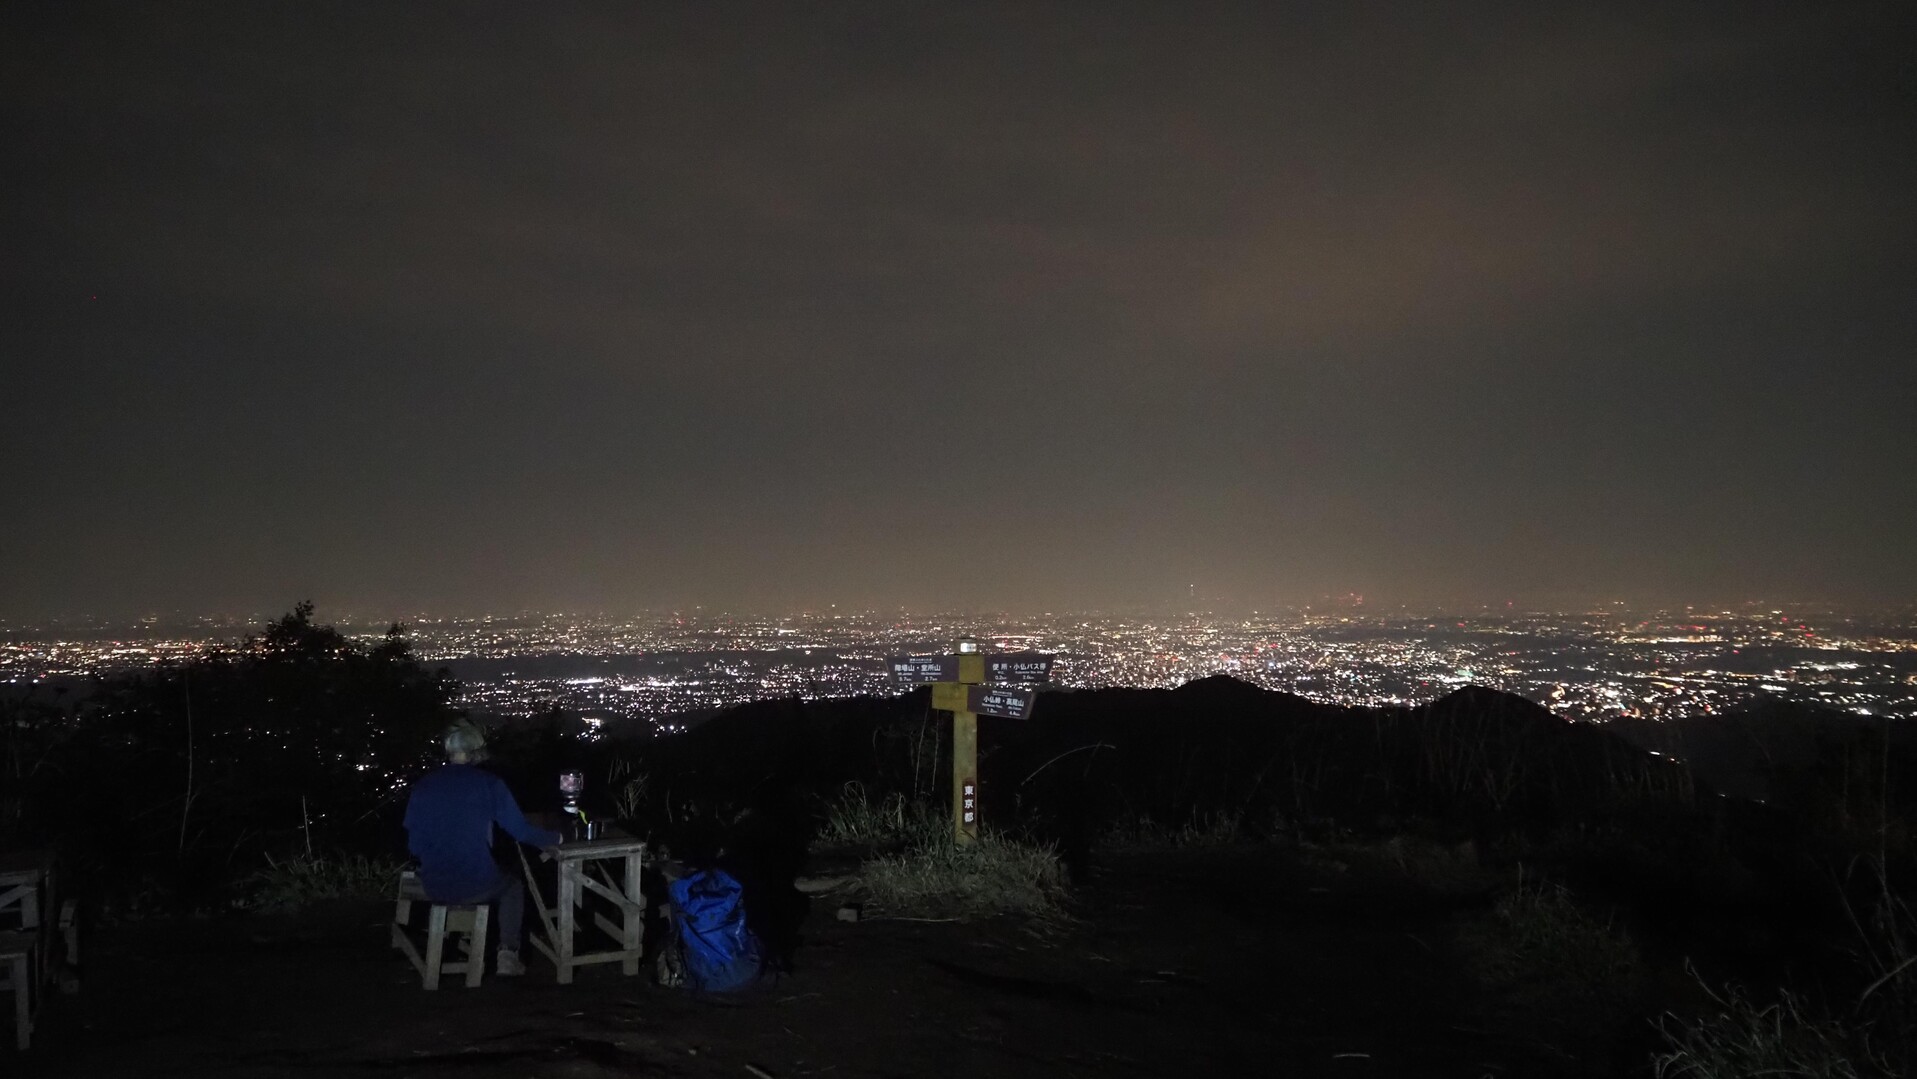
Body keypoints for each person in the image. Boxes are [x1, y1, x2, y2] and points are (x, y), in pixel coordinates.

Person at [403, 719, 564, 976]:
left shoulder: (424, 786)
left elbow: (415, 844)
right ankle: (508, 955)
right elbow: (521, 831)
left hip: (433, 884)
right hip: (476, 883)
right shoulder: (489, 784)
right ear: (477, 750)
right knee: (513, 888)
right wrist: (556, 839)